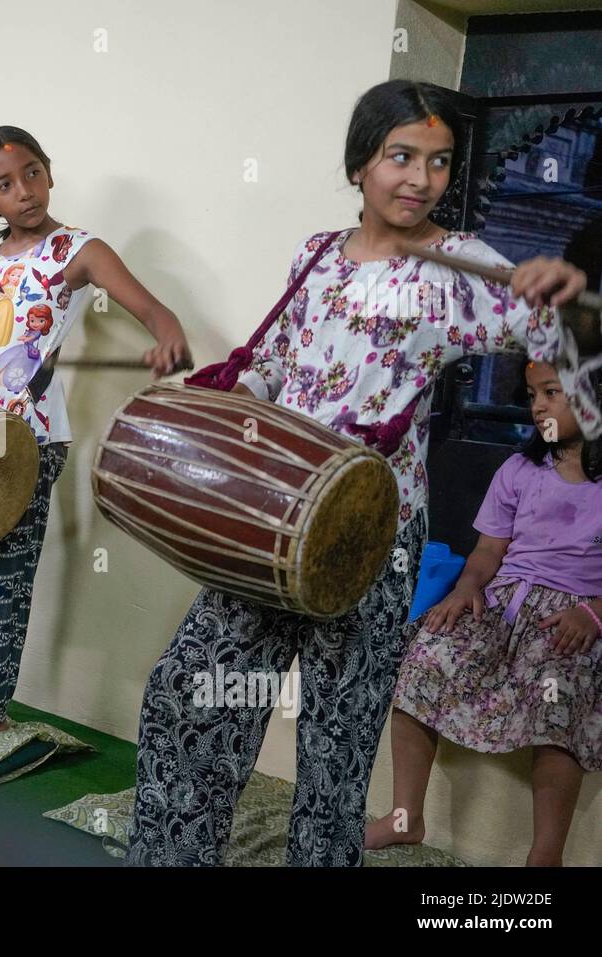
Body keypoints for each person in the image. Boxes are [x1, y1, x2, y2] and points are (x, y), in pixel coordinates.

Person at [128, 79, 600, 866]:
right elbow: (274, 366)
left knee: (336, 745)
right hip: (272, 520)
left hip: (372, 532)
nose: (420, 178)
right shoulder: (314, 254)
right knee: (193, 695)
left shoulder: (461, 266)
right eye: (401, 156)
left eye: (440, 161)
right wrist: (221, 410)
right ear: (359, 165)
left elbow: (563, 351)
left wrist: (569, 297)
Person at [0, 126, 192, 744]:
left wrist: (167, 335)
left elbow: (155, 310)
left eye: (32, 174)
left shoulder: (79, 250)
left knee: (0, 567)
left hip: (27, 439)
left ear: (48, 173)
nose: (24, 191)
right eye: (4, 184)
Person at [367, 358, 601, 866]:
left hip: (570, 619)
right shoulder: (520, 469)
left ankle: (546, 855)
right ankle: (406, 816)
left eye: (551, 392)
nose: (537, 404)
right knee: (427, 655)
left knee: (557, 697)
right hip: (504, 600)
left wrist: (594, 614)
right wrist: (466, 587)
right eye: (532, 394)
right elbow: (488, 553)